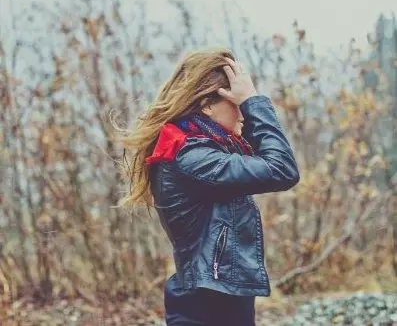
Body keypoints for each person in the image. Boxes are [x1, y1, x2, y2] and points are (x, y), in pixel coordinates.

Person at [117, 48, 300, 326]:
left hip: (220, 301)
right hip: (205, 308)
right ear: (207, 104)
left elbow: (268, 161)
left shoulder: (206, 148)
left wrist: (247, 108)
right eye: (236, 103)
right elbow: (281, 169)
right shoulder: (191, 155)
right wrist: (254, 103)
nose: (243, 114)